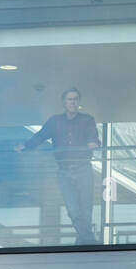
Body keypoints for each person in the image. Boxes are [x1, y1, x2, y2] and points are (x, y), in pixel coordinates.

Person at [14, 87, 101, 244]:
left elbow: (93, 139)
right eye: (69, 99)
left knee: (86, 211)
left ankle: (84, 243)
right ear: (64, 102)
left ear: (79, 102)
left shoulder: (87, 120)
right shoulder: (55, 121)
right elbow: (40, 136)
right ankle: (88, 241)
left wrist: (92, 144)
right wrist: (26, 146)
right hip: (64, 171)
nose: (72, 102)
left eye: (75, 99)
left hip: (83, 169)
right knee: (73, 211)